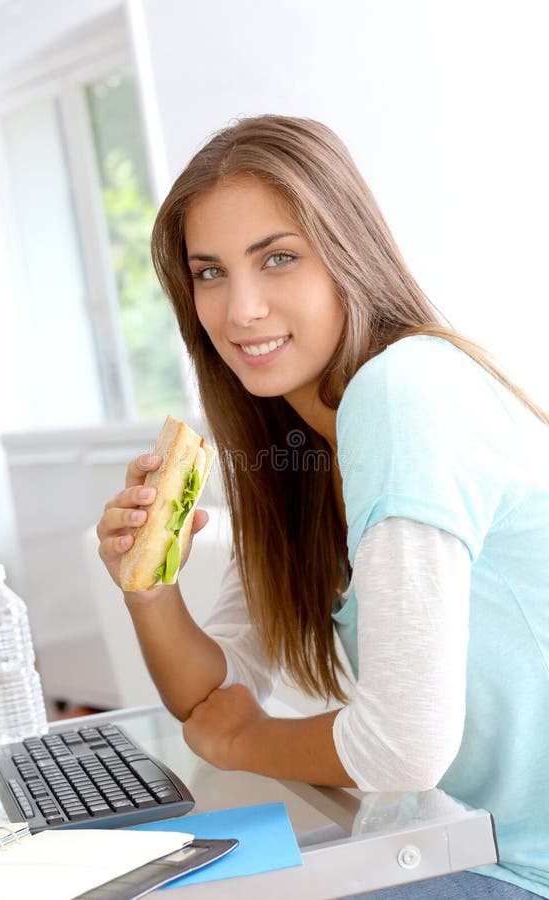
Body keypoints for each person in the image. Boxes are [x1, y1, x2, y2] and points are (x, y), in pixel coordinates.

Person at [97, 115, 549, 899]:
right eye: (209, 273)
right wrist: (149, 586)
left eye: (278, 259)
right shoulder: (297, 453)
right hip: (464, 844)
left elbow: (401, 746)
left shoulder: (403, 391)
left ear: (348, 254)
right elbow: (210, 696)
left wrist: (248, 739)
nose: (241, 311)